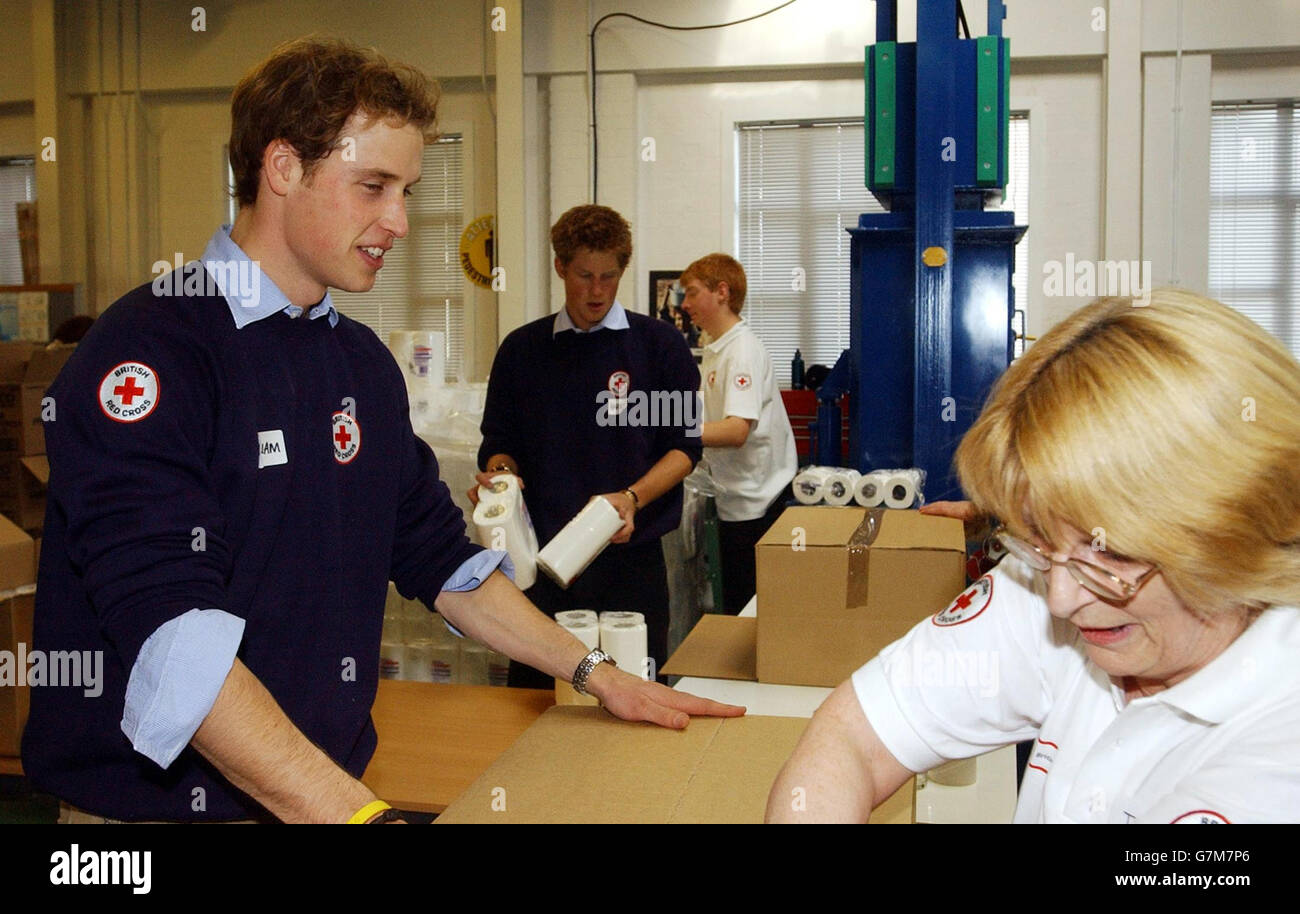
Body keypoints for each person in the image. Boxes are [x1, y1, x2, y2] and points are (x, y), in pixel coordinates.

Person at [21, 37, 741, 824]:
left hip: (317, 796)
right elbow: (174, 638)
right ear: (283, 167)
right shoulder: (151, 353)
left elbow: (441, 559)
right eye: (373, 186)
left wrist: (597, 672)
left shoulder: (358, 363)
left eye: (406, 190)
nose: (399, 221)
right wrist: (358, 815)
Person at [767, 289, 1300, 823]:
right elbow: (853, 736)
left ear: (1247, 525)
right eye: (1039, 542)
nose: (1062, 601)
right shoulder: (1065, 577)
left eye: (1110, 555)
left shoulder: (1277, 763)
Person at [475, 205, 701, 687]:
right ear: (560, 267)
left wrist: (633, 498)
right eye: (584, 276)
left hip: (631, 563)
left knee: (635, 698)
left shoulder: (658, 349)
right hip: (544, 567)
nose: (597, 291)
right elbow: (499, 443)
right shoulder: (523, 351)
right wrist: (501, 478)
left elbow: (684, 448)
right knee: (539, 702)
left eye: (609, 277)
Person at [679, 253, 796, 614]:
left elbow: (735, 430)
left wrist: (675, 435)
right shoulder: (717, 349)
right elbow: (703, 413)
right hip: (737, 500)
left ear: (722, 293)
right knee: (735, 602)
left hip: (759, 505)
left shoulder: (741, 351)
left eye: (692, 293)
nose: (685, 305)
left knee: (748, 611)